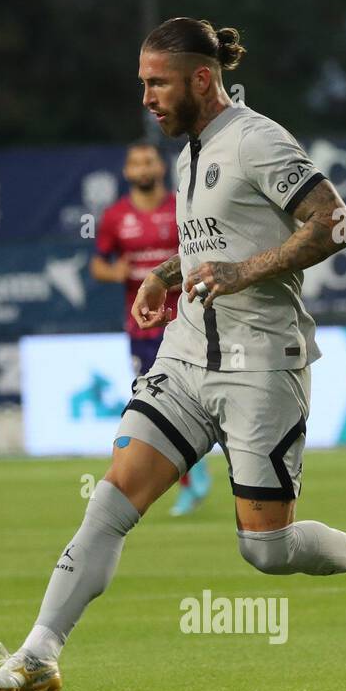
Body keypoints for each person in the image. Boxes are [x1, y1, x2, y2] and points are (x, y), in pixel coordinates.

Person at [0, 17, 346, 691]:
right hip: (185, 354)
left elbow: (336, 223)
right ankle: (38, 655)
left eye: (156, 83)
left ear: (201, 79)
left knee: (265, 548)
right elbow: (220, 241)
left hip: (261, 361)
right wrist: (168, 274)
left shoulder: (256, 139)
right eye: (142, 82)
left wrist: (244, 272)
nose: (145, 96)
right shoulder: (189, 150)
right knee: (111, 499)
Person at [92, 140, 213, 516]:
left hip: (185, 321)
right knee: (154, 402)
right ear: (127, 172)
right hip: (141, 326)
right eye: (135, 163)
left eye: (148, 161)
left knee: (203, 396)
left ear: (160, 167)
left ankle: (203, 468)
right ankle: (193, 476)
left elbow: (202, 253)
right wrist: (119, 272)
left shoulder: (181, 206)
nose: (143, 168)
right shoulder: (115, 217)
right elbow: (99, 265)